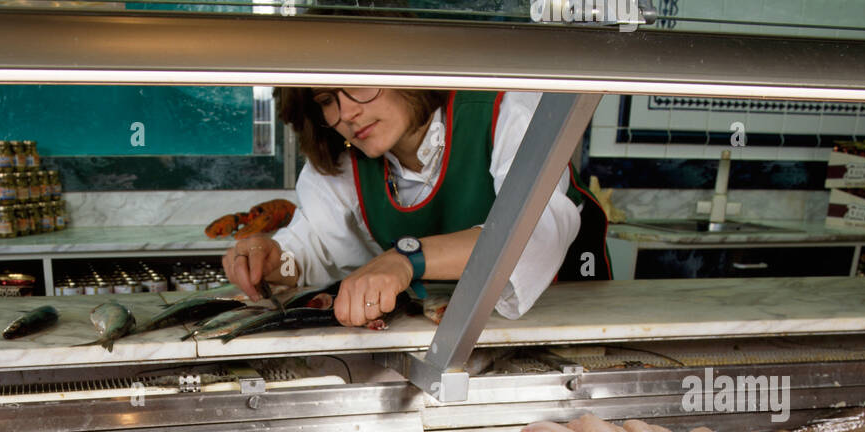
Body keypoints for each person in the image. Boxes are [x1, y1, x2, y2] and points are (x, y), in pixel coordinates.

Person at [223, 88, 609, 327]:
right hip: (451, 335)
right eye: (327, 100)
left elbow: (532, 235)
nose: (346, 113)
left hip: (565, 321)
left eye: (357, 85)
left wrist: (405, 259)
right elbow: (307, 257)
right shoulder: (341, 163)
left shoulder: (505, 111)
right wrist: (275, 264)